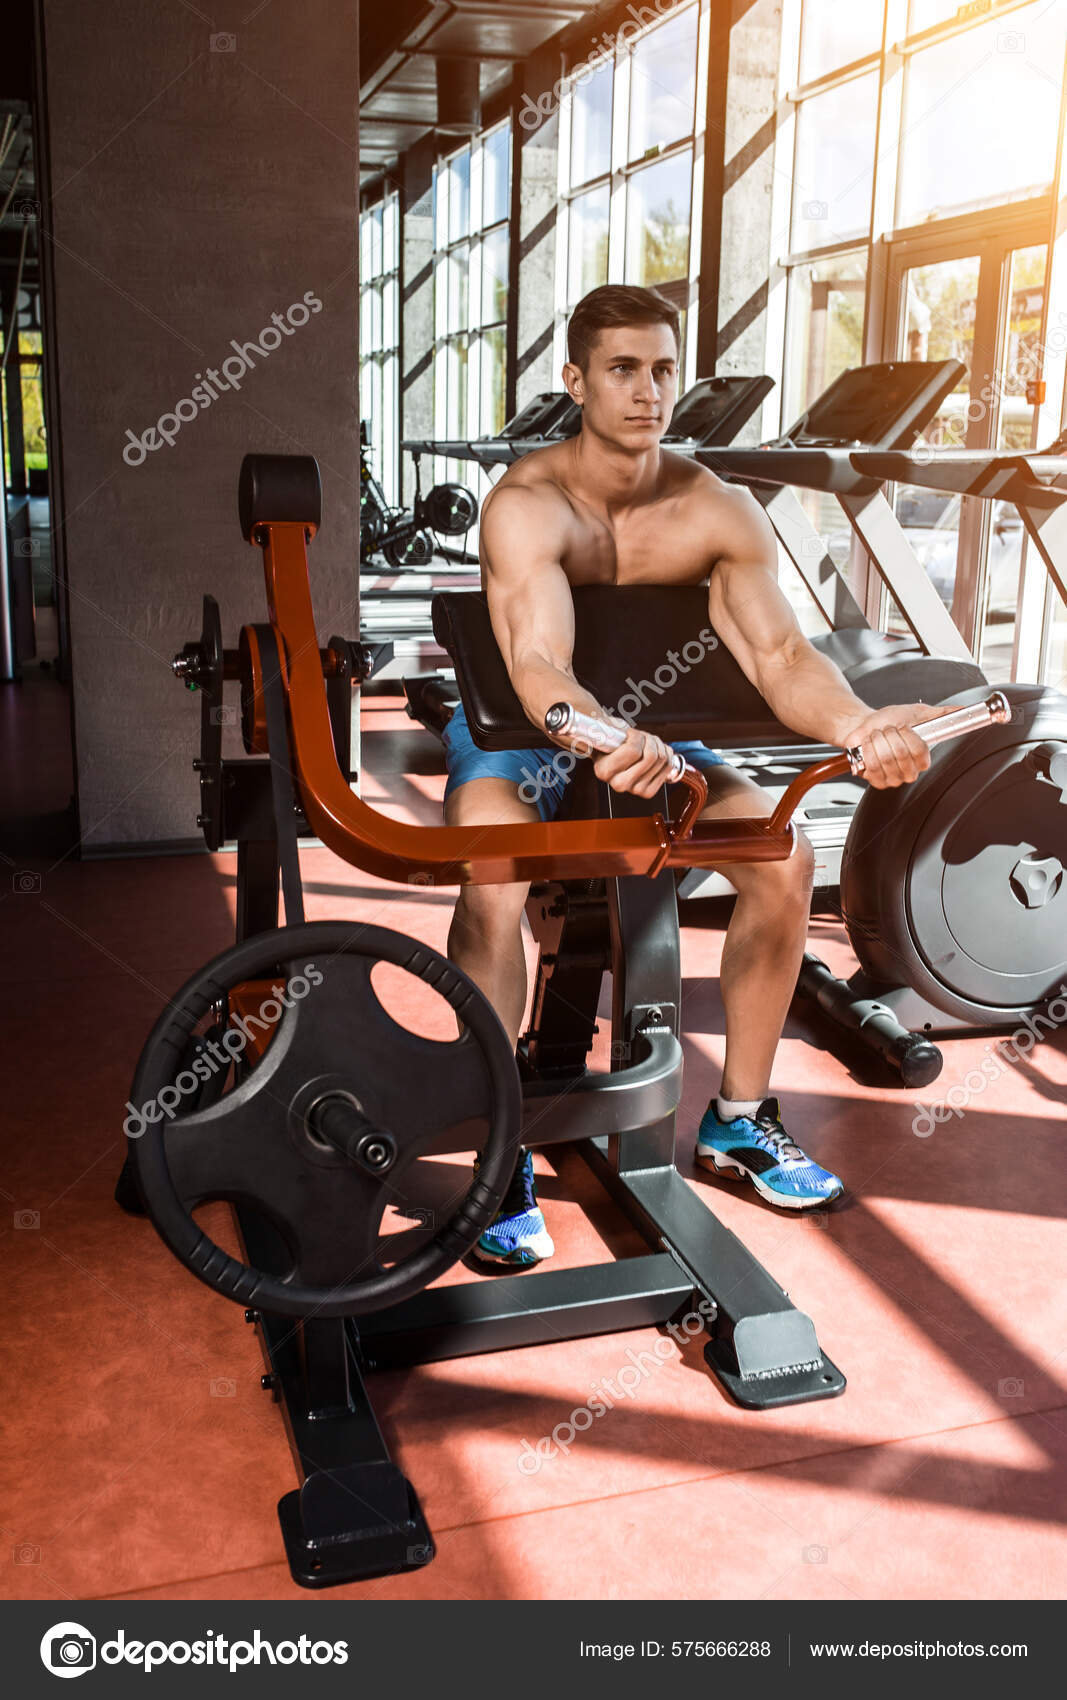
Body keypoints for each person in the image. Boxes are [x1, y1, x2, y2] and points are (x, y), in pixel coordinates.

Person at [444, 283, 946, 1264]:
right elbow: (535, 661)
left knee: (783, 853)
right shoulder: (525, 503)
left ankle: (738, 1119)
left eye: (662, 369)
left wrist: (857, 720)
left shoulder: (716, 508)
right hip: (524, 737)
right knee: (492, 877)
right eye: (622, 369)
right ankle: (494, 1140)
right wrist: (593, 736)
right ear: (576, 378)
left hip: (664, 740)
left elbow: (777, 658)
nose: (646, 391)